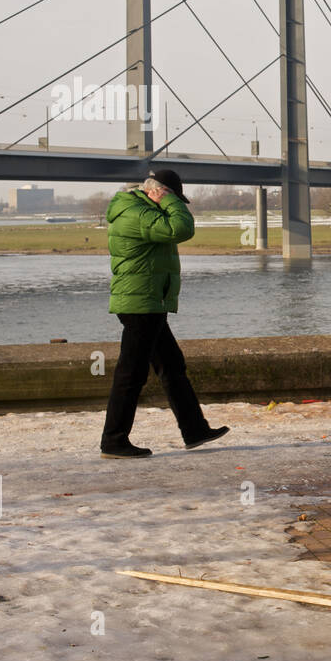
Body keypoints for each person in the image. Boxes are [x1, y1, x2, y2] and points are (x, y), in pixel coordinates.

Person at [99, 169, 229, 459]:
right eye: (172, 197)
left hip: (148, 302)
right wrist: (168, 201)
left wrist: (166, 199)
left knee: (171, 365)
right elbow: (180, 229)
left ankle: (194, 429)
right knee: (131, 372)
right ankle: (113, 440)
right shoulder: (137, 214)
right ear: (157, 193)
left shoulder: (144, 212)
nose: (175, 203)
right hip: (139, 303)